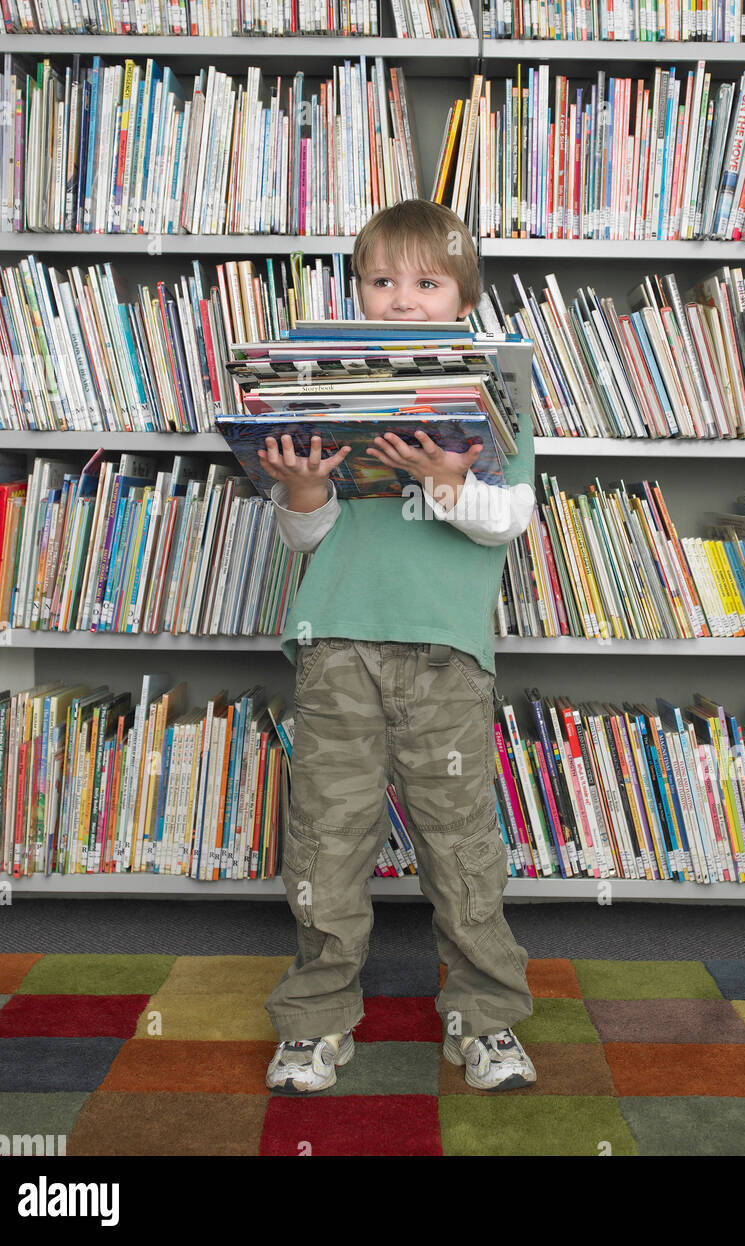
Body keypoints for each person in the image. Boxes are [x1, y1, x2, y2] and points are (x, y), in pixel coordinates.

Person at [258, 199, 537, 1094]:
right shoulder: (329, 388)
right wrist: (301, 492)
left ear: (463, 300)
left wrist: (450, 483)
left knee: (459, 847)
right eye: (382, 281)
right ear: (357, 294)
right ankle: (314, 1020)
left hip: (444, 658)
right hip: (336, 646)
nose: (403, 300)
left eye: (427, 282)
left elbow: (507, 523)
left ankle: (484, 1018)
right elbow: (309, 540)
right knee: (325, 842)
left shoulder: (494, 395)